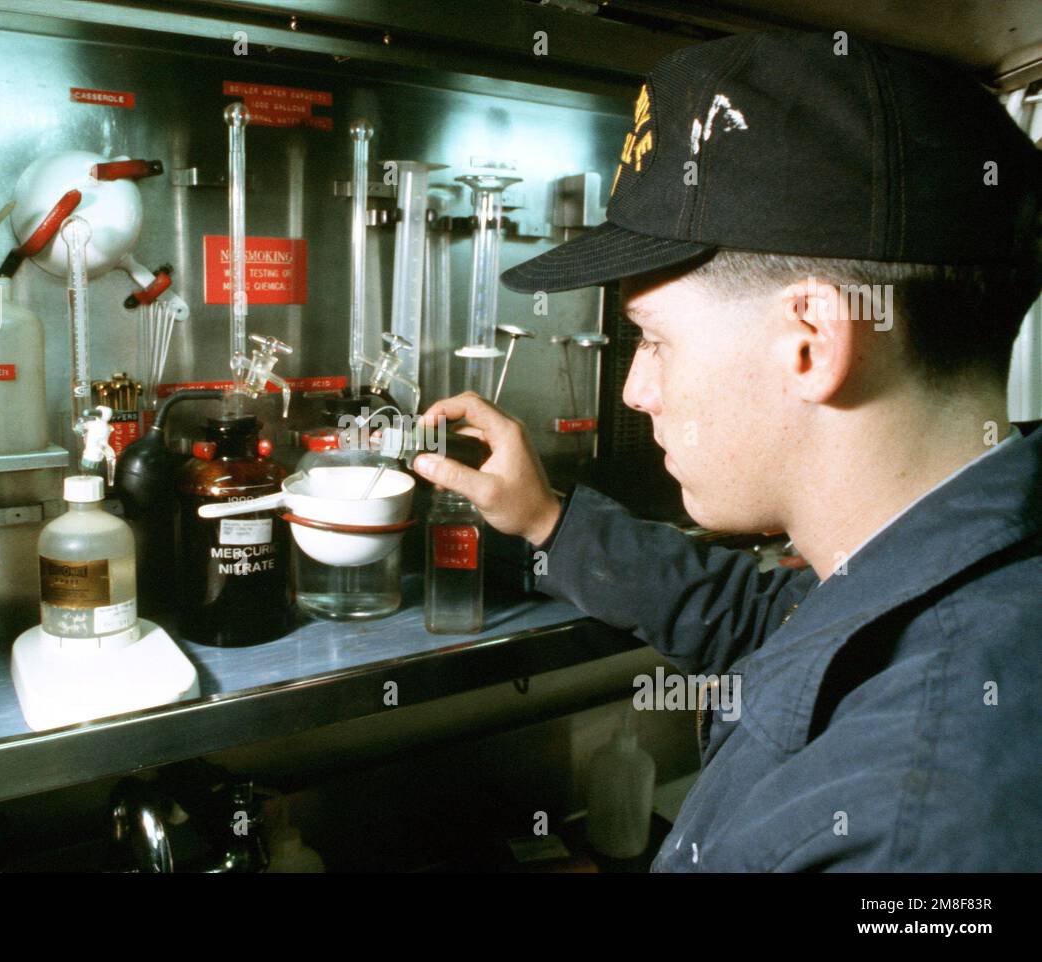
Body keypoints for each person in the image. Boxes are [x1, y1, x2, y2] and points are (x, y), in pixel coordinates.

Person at [411, 30, 1042, 871]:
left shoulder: (905, 822)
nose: (636, 390)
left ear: (810, 341)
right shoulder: (962, 562)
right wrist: (546, 521)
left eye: (653, 340)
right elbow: (769, 620)